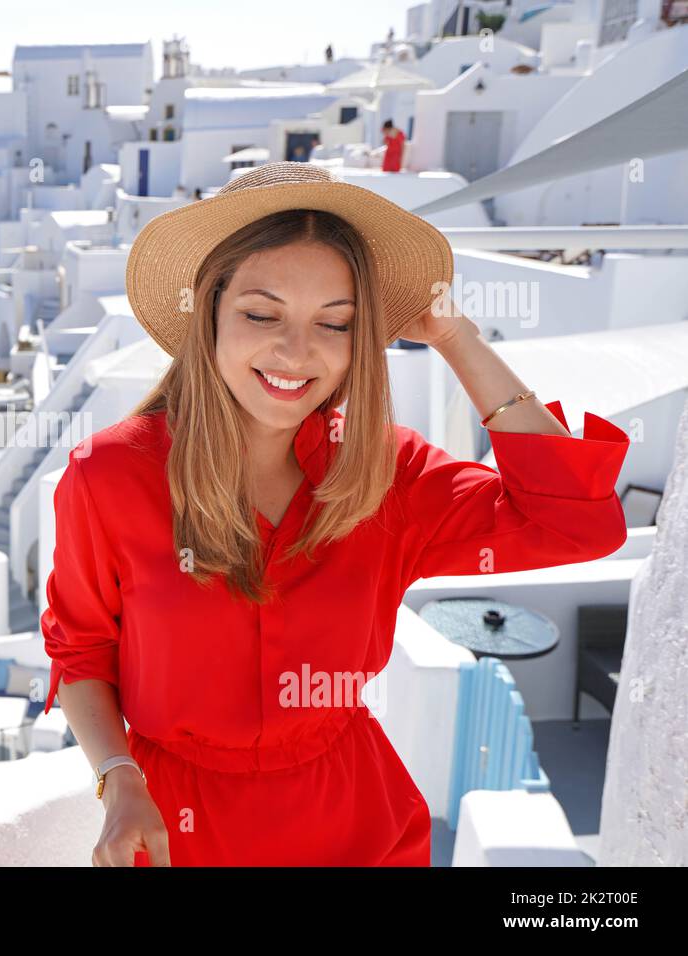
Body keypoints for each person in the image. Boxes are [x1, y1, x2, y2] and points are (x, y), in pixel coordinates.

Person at [41, 162, 630, 866]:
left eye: (336, 323)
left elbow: (572, 523)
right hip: (178, 829)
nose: (297, 351)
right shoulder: (107, 477)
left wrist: (452, 337)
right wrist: (118, 777)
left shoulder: (387, 473)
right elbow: (80, 653)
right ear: (209, 312)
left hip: (356, 823)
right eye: (262, 314)